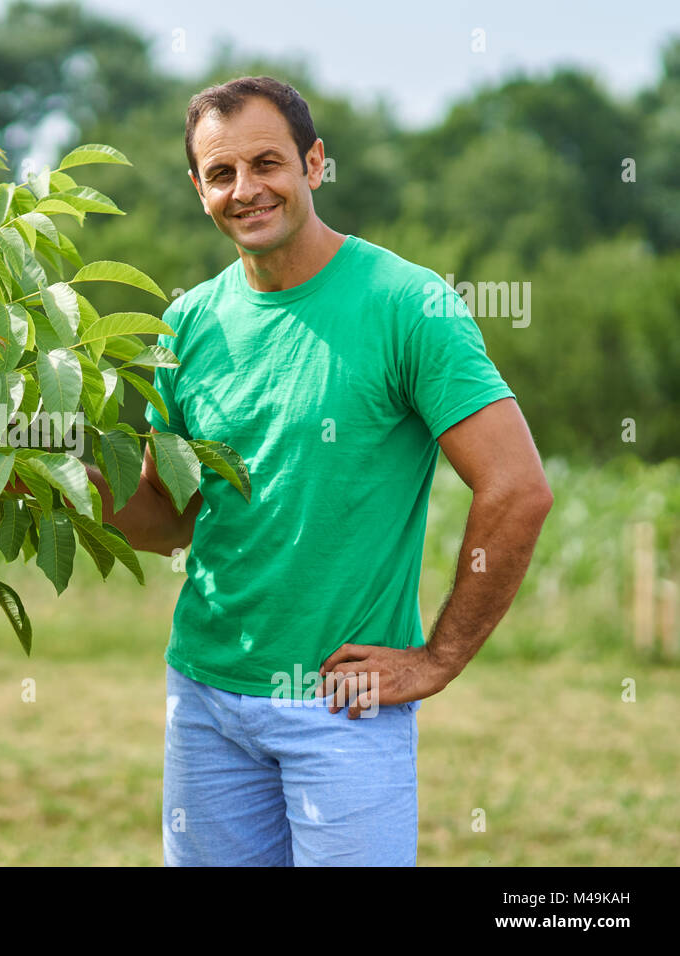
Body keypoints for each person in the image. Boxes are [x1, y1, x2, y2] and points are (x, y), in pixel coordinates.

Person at [82, 76, 553, 865]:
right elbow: (173, 516)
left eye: (267, 163)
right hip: (205, 698)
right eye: (222, 174)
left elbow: (519, 488)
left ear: (315, 163)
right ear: (197, 188)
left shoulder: (408, 305)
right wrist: (49, 480)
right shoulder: (188, 323)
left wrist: (437, 659)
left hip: (341, 706)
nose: (246, 190)